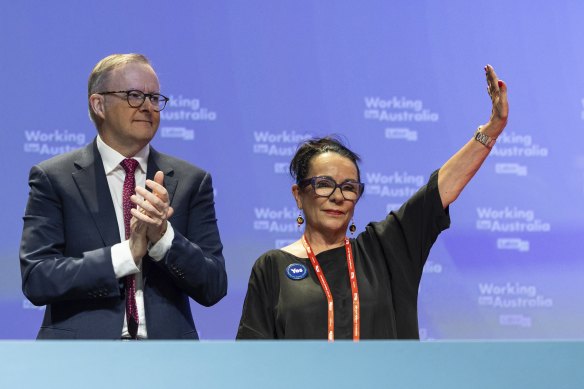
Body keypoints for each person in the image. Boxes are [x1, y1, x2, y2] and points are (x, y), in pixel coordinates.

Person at [236, 65, 508, 340]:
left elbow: (437, 192)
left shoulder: (383, 251)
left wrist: (491, 130)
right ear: (299, 194)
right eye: (324, 185)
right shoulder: (271, 268)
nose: (338, 196)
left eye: (349, 187)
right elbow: (252, 361)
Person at [19, 53, 227, 339]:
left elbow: (213, 285)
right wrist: (126, 254)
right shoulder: (54, 178)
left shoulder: (191, 181)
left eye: (154, 98)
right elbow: (37, 279)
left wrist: (164, 238)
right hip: (79, 360)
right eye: (133, 95)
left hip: (167, 361)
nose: (147, 107)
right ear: (99, 104)